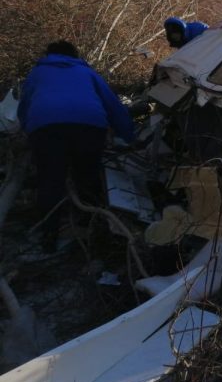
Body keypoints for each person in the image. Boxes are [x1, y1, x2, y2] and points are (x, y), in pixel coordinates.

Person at [17, 40, 135, 252]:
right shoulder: (87, 73)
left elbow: (25, 105)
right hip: (89, 126)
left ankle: (49, 236)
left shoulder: (37, 74)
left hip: (46, 128)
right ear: (75, 55)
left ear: (48, 54)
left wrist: (27, 130)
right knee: (87, 177)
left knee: (50, 180)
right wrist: (129, 136)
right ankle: (91, 229)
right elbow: (113, 105)